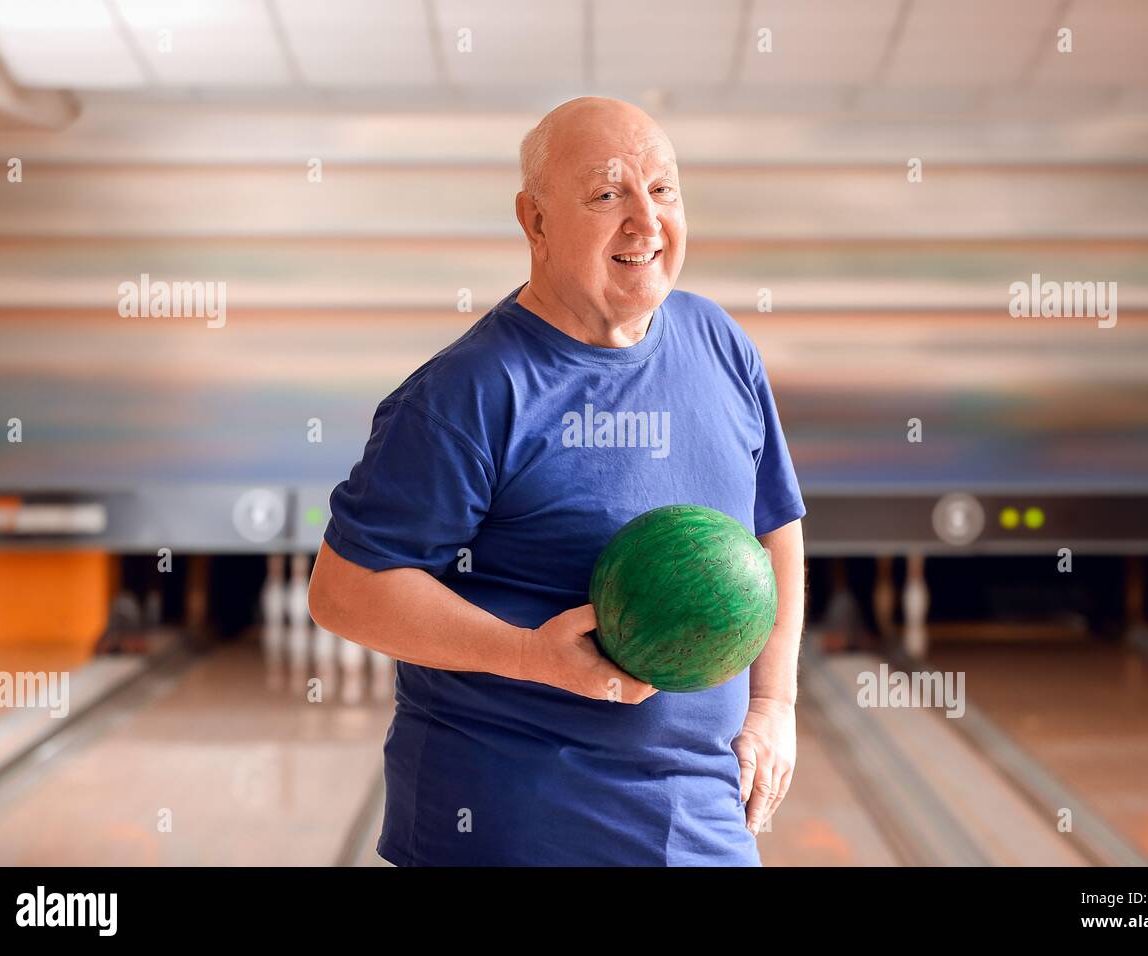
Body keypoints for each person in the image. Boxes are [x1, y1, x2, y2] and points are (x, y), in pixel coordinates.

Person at [308, 96, 806, 866]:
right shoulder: (467, 393)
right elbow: (344, 590)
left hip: (705, 824)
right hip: (514, 830)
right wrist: (527, 655)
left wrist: (774, 702)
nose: (646, 221)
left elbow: (774, 523)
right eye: (608, 194)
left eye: (663, 190)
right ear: (534, 221)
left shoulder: (719, 342)